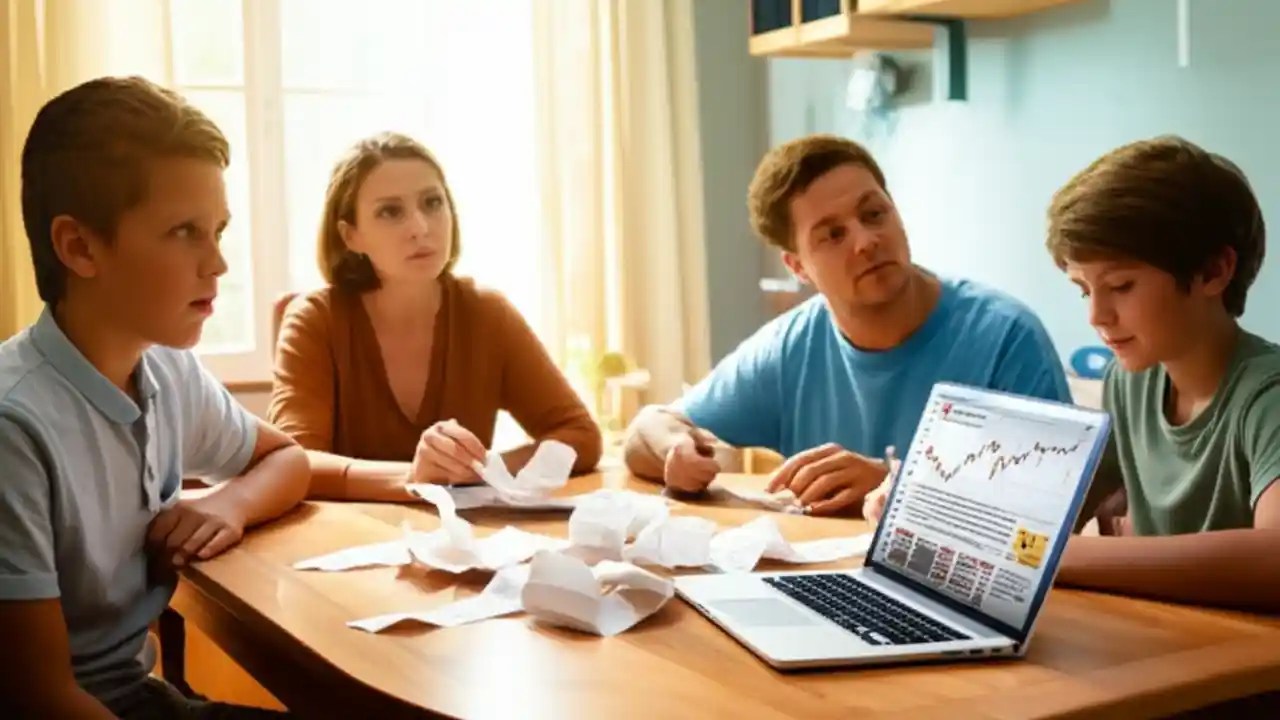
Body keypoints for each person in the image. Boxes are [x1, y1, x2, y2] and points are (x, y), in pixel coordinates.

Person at [0, 76, 309, 718]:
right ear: (79, 247)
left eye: (218, 230)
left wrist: (231, 501)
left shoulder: (166, 369)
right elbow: (38, 696)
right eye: (184, 232)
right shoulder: (14, 426)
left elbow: (286, 458)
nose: (218, 263)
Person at [623, 134, 1070, 515]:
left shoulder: (1006, 337)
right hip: (832, 586)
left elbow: (1055, 506)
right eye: (832, 235)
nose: (866, 241)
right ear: (798, 267)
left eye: (874, 214)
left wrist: (896, 485)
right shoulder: (789, 347)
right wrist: (674, 450)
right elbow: (648, 429)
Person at [269, 132, 602, 501]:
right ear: (351, 236)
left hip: (464, 542)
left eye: (432, 203)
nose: (421, 228)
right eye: (390, 211)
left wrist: (483, 469)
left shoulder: (487, 314)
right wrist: (414, 477)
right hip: (349, 539)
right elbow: (293, 464)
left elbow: (579, 435)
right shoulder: (315, 321)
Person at [1045, 136, 1277, 611]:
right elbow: (1050, 514)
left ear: (1214, 271)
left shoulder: (1267, 396)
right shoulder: (1127, 381)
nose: (1096, 315)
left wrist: (1062, 558)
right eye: (1082, 289)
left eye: (1120, 286)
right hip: (1162, 646)